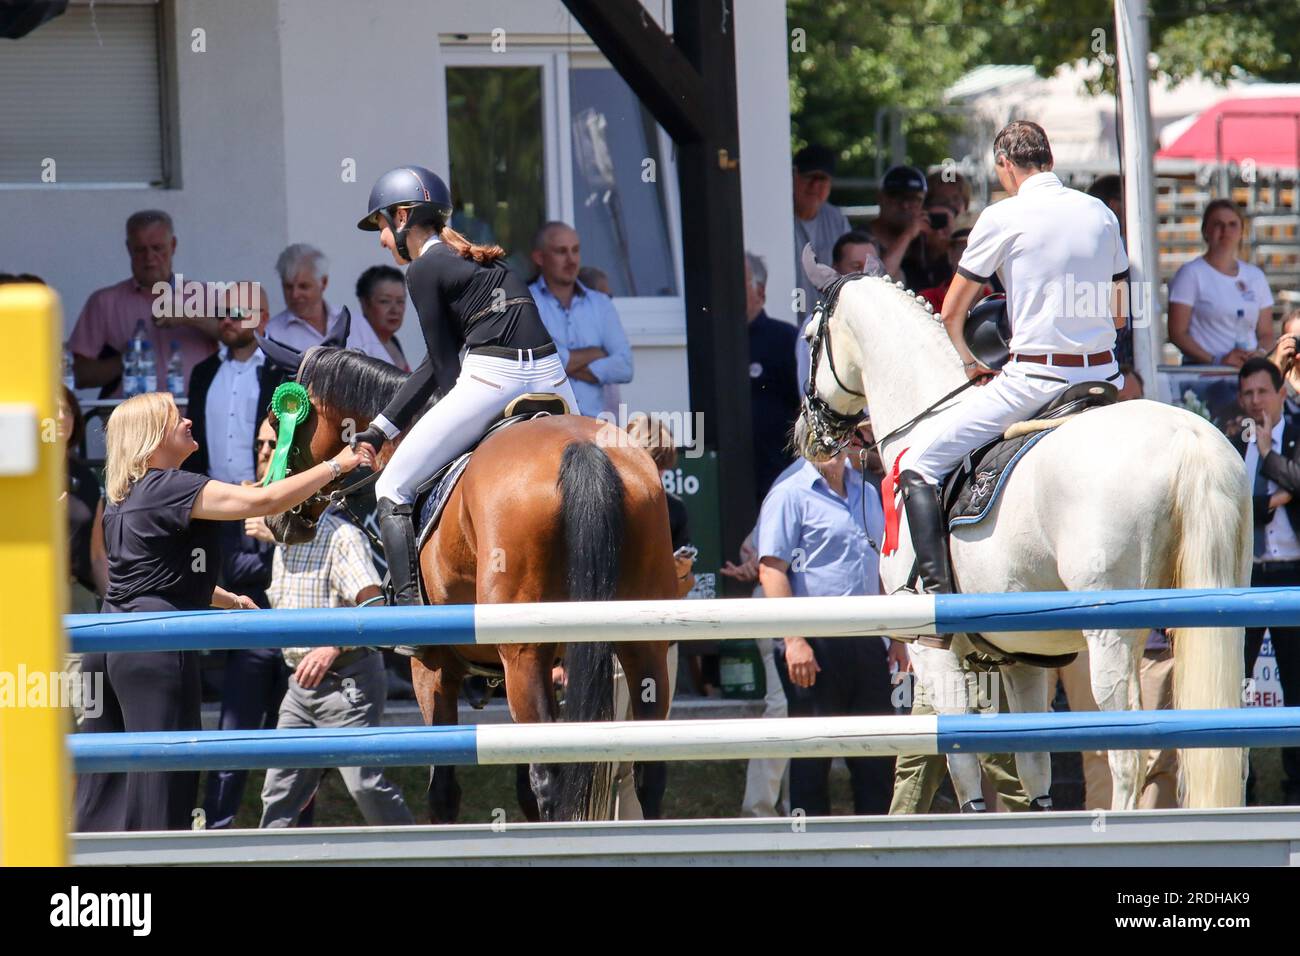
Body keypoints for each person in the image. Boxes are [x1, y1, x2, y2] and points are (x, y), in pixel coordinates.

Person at [74, 391, 370, 832]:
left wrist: (227, 599)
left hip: (112, 642)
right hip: (155, 647)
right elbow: (264, 502)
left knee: (106, 785)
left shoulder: (126, 494)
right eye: (178, 418)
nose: (190, 421)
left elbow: (150, 578)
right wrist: (337, 465)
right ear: (153, 436)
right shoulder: (171, 486)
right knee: (162, 784)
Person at [895, 121, 1128, 603]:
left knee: (918, 464)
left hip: (1036, 380)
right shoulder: (1102, 213)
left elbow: (952, 313)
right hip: (1105, 378)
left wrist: (969, 364)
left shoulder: (1001, 217)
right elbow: (1122, 313)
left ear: (1005, 165)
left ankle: (937, 600)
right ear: (1049, 160)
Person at [349, 166, 579, 607]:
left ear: (401, 218)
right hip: (552, 375)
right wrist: (381, 426)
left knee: (391, 488)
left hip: (494, 376)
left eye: (380, 226)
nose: (380, 240)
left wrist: (387, 436)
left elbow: (444, 371)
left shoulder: (421, 270)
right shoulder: (484, 259)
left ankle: (410, 617)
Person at [756, 434, 897, 816]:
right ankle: (811, 851)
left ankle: (877, 852)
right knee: (812, 759)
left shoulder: (867, 492)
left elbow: (883, 564)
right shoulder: (789, 492)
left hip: (868, 639)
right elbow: (771, 570)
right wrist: (794, 639)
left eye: (838, 435)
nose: (831, 445)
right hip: (814, 645)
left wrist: (898, 636)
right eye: (820, 436)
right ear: (802, 441)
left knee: (876, 758)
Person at [258, 496, 414, 829]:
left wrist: (334, 644)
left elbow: (374, 607)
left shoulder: (342, 535)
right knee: (278, 790)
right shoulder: (284, 537)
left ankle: (416, 857)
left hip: (347, 681)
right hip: (299, 684)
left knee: (364, 785)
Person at [201, 416, 287, 829]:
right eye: (259, 445)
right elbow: (231, 567)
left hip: (296, 637)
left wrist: (277, 537)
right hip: (251, 635)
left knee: (294, 749)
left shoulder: (303, 503)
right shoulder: (237, 499)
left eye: (273, 445)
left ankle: (293, 840)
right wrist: (276, 553)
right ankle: (215, 830)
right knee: (231, 740)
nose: (265, 453)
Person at [1231, 357, 1300, 804]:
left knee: (1297, 683)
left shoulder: (1295, 434)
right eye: (1248, 394)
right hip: (1248, 576)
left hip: (1294, 576)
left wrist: (1271, 455)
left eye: (1263, 392)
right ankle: (1242, 781)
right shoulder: (1233, 442)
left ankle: (1296, 784)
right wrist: (1274, 498)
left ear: (1280, 394)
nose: (1256, 402)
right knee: (1235, 681)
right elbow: (1230, 504)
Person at [69, 210, 219, 398]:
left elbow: (247, 338)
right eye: (140, 249)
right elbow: (79, 376)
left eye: (157, 248)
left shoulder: (203, 294)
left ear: (173, 245)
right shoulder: (104, 302)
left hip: (194, 418)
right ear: (128, 249)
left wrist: (191, 317)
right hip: (131, 421)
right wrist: (127, 359)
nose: (149, 257)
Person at [528, 221, 633, 417]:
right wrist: (596, 353)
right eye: (561, 251)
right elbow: (536, 367)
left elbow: (625, 367)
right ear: (539, 257)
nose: (571, 260)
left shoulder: (601, 303)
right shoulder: (527, 303)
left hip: (596, 429)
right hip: (547, 428)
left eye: (575, 250)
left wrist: (562, 365)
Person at [183, 282, 284, 480]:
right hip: (211, 497)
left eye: (237, 313)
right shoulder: (203, 372)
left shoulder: (284, 368)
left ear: (262, 319)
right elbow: (192, 438)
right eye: (221, 313)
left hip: (267, 495)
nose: (227, 320)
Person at [1167, 199, 1274, 367]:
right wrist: (1216, 361)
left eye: (1233, 224)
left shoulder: (1256, 276)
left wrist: (1259, 355)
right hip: (1203, 373)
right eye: (1218, 224)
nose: (1225, 231)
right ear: (1205, 230)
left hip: (1248, 373)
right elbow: (1177, 333)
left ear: (1241, 232)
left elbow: (1267, 333)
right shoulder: (1190, 274)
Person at [60, 386, 107, 727]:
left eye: (68, 410)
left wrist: (114, 604)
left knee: (83, 713)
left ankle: (83, 782)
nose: (61, 417)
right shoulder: (15, 476)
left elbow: (97, 553)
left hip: (78, 600)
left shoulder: (86, 478)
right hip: (22, 603)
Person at [264, 243, 394, 365]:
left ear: (324, 282)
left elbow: (386, 372)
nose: (295, 294)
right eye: (288, 287)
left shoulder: (355, 324)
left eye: (303, 286)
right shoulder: (272, 334)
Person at [744, 251, 800, 506]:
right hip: (723, 481)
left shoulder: (787, 340)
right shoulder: (710, 342)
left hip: (778, 479)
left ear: (761, 291)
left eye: (738, 281)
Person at [792, 145, 852, 323]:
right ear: (793, 176)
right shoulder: (778, 216)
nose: (815, 185)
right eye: (809, 176)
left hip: (829, 324)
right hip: (788, 317)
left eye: (822, 179)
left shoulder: (837, 220)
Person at [870, 165, 931, 288]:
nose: (905, 205)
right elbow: (879, 280)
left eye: (914, 199)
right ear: (880, 198)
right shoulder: (862, 238)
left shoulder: (923, 238)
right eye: (896, 197)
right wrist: (907, 235)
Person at [357, 264, 410, 372]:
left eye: (400, 301)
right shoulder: (357, 348)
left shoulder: (394, 342)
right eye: (385, 301)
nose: (395, 310)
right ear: (365, 303)